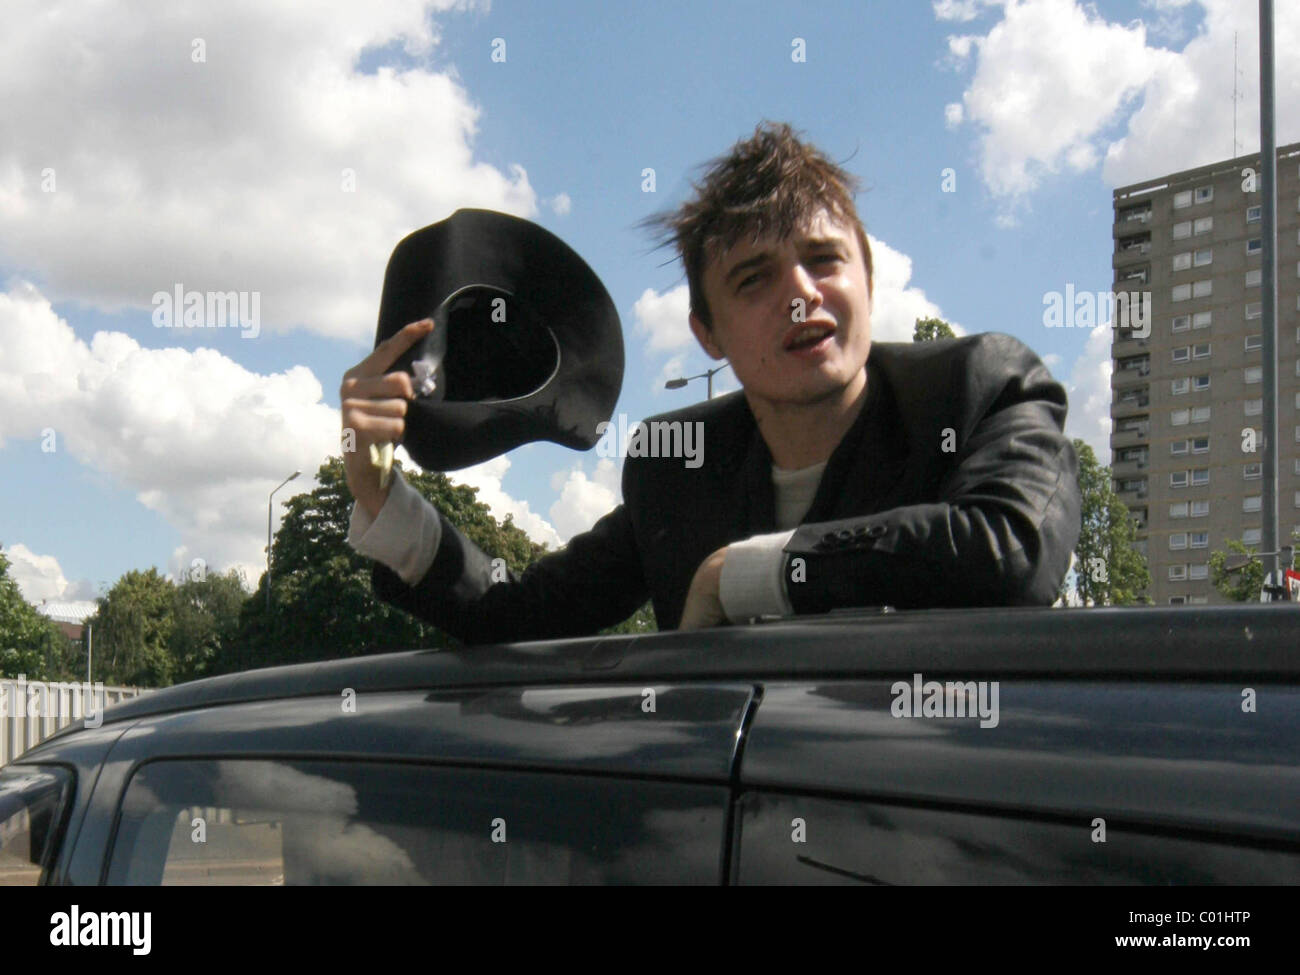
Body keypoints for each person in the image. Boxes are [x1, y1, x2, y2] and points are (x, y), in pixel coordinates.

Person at [340, 122, 1081, 644]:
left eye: (823, 260)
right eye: (754, 278)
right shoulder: (677, 465)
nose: (800, 295)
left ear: (869, 279)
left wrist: (742, 575)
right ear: (708, 333)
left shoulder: (980, 388)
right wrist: (380, 494)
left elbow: (1008, 550)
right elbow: (516, 612)